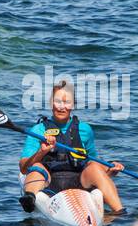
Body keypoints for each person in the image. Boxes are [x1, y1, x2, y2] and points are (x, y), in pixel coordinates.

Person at [19, 81, 124, 214]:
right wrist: (41, 152)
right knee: (37, 167)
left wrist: (109, 168)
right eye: (58, 101)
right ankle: (30, 198)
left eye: (66, 102)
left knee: (95, 168)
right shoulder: (38, 130)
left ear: (73, 105)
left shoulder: (85, 129)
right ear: (51, 103)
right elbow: (23, 168)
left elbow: (92, 162)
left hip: (79, 182)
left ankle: (120, 212)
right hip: (48, 183)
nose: (62, 107)